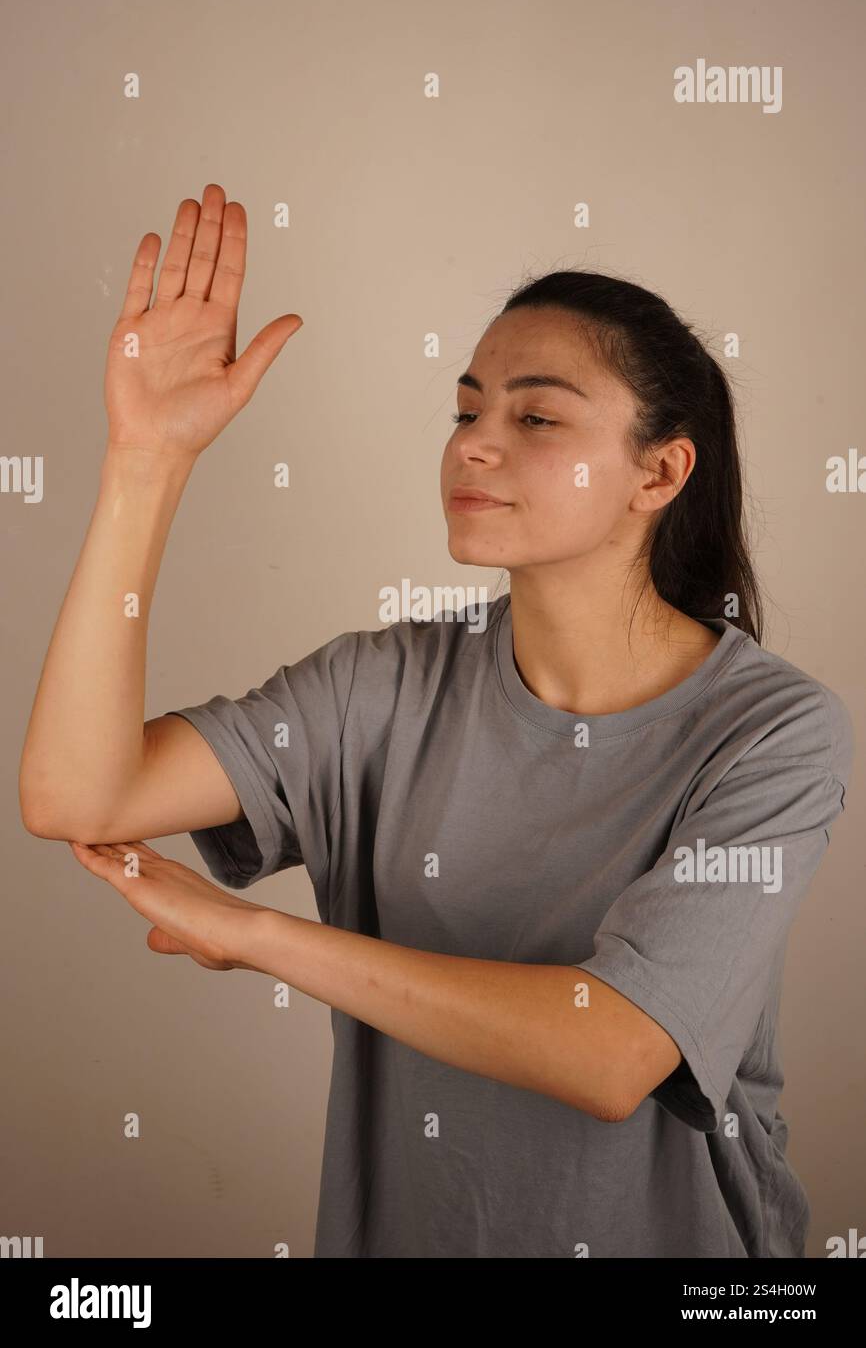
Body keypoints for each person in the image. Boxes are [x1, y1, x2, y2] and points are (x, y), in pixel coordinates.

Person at [20, 185, 854, 1259]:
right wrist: (147, 461)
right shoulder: (381, 686)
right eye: (466, 410)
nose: (473, 444)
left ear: (660, 469)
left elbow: (609, 1052)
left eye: (535, 416)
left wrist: (261, 935)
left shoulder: (773, 731)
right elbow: (75, 794)